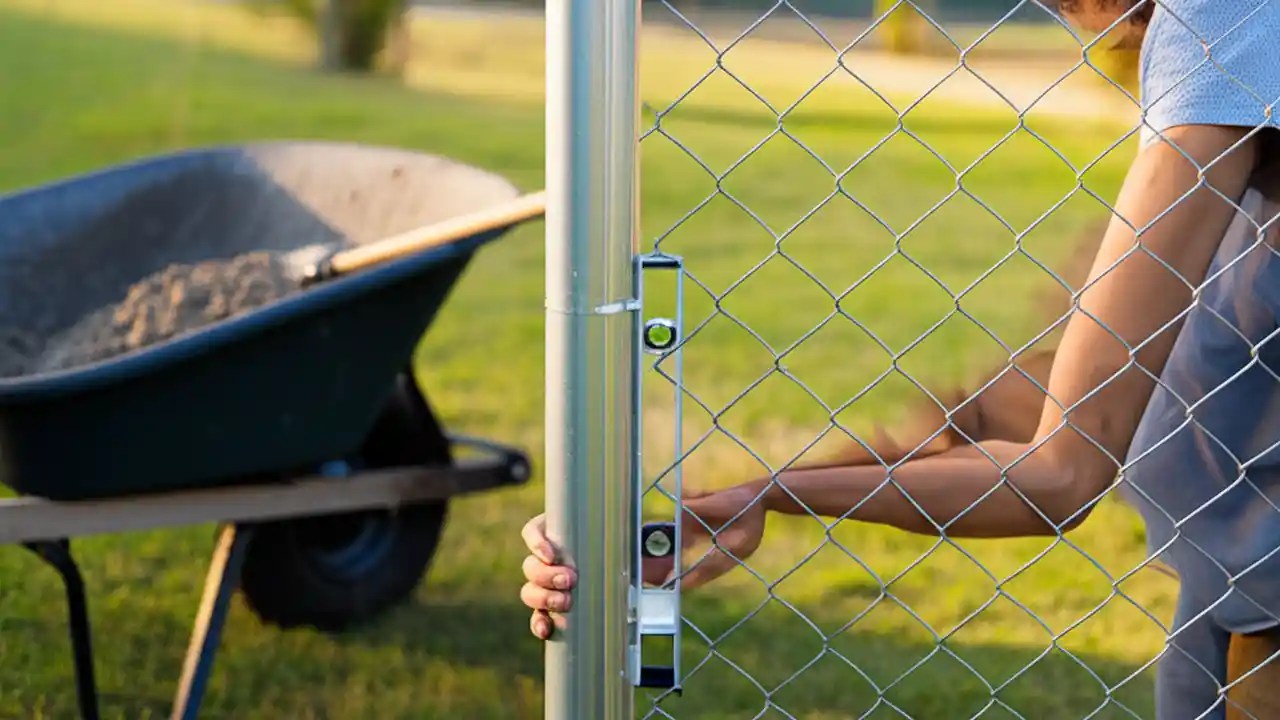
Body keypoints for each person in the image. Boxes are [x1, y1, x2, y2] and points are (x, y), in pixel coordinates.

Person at [520, 1, 1280, 717]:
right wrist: (764, 492)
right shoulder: (1226, 113)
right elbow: (1024, 414)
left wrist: (774, 494)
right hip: (1231, 612)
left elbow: (1057, 473)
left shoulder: (1224, 34)